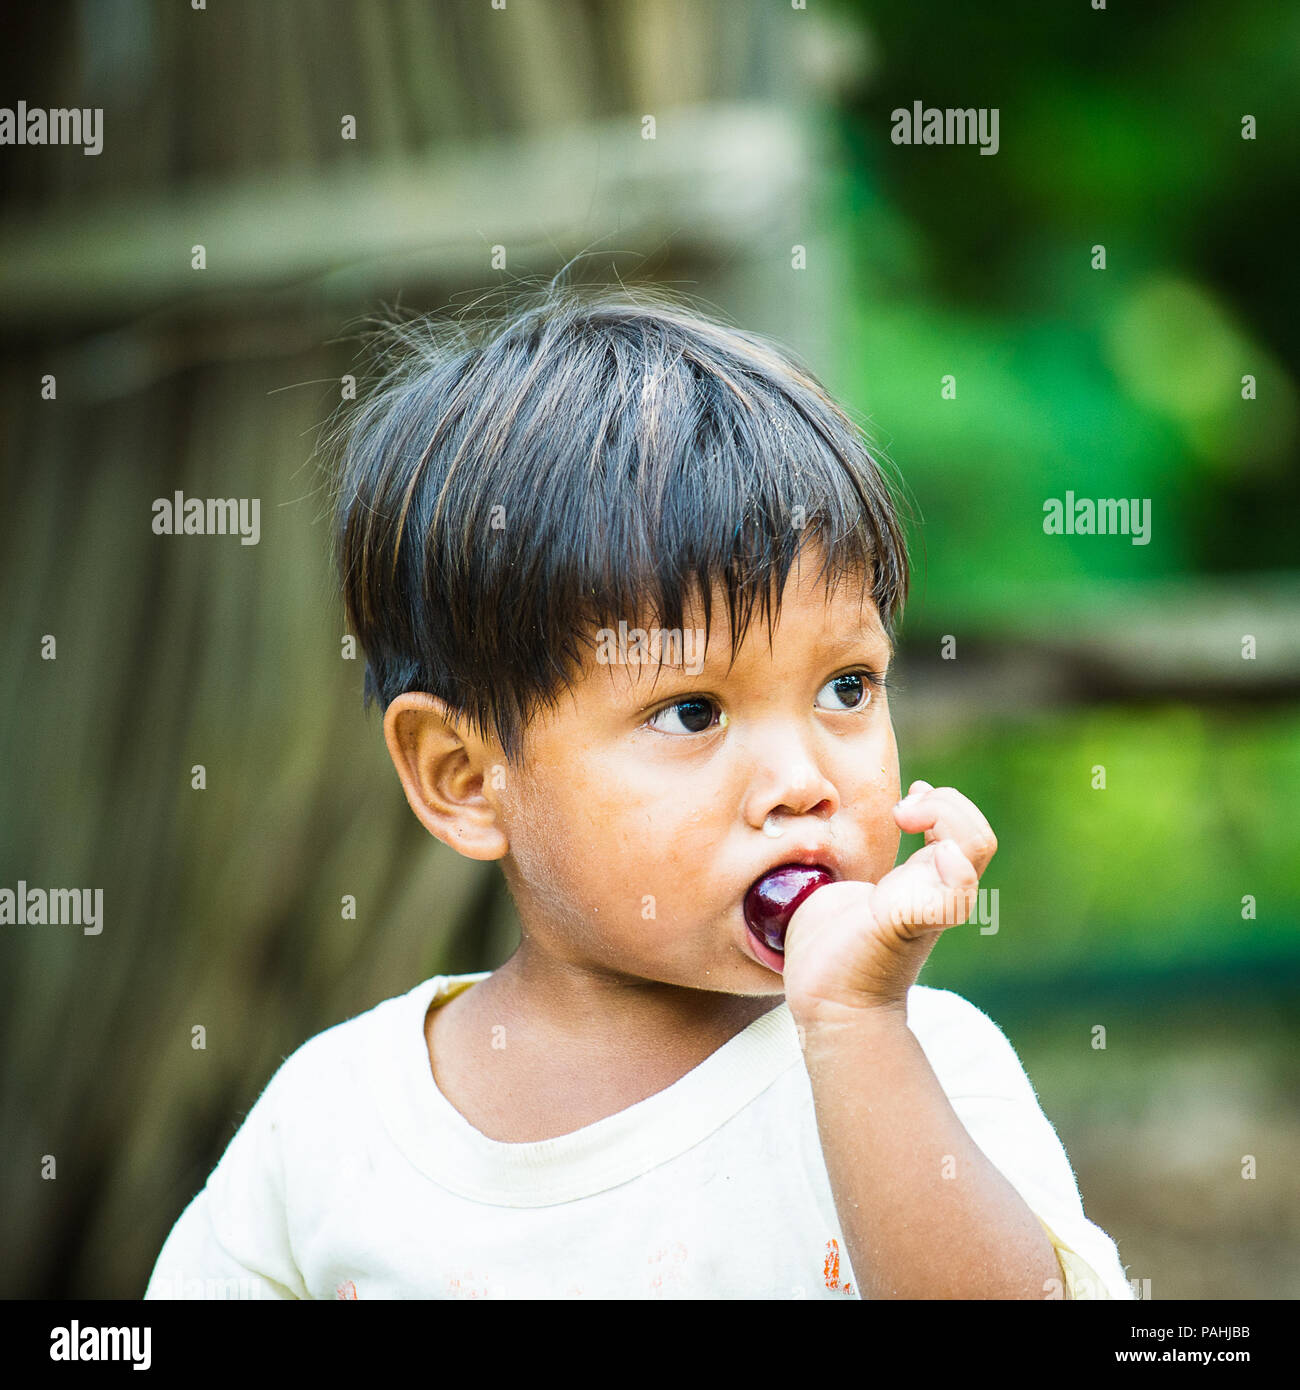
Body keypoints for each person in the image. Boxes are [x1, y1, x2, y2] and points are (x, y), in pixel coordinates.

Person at [144, 281, 1134, 1300]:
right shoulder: (334, 1132)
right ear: (466, 778)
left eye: (845, 688)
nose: (801, 783)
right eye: (692, 712)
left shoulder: (926, 1066)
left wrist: (855, 1029)